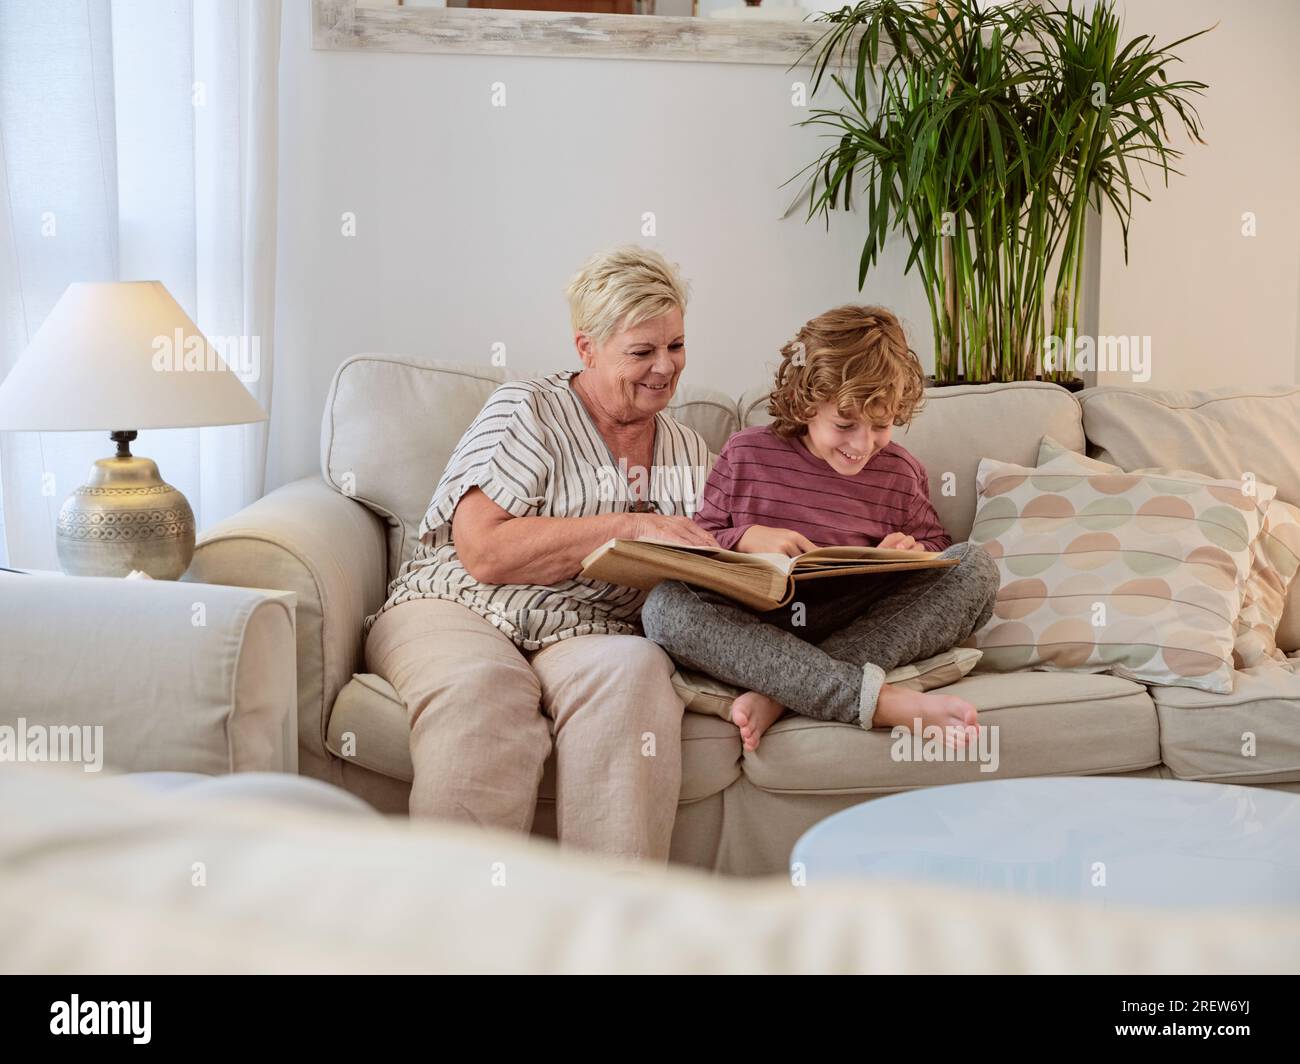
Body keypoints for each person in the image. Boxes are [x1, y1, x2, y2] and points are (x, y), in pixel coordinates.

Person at [363, 246, 718, 861]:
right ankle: (461, 940)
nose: (665, 368)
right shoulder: (528, 408)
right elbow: (485, 550)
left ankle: (607, 936)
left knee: (635, 674)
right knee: (484, 690)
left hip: (590, 628)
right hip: (459, 604)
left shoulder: (690, 451)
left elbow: (718, 553)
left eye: (677, 346)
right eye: (642, 351)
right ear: (587, 349)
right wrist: (629, 528)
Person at [641, 305, 999, 752]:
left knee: (975, 567)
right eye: (844, 425)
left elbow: (938, 551)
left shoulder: (899, 471)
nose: (863, 444)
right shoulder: (747, 453)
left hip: (853, 620)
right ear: (806, 404)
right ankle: (872, 699)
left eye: (881, 426)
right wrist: (748, 538)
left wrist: (908, 549)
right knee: (665, 606)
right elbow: (699, 542)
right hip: (757, 622)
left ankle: (784, 693)